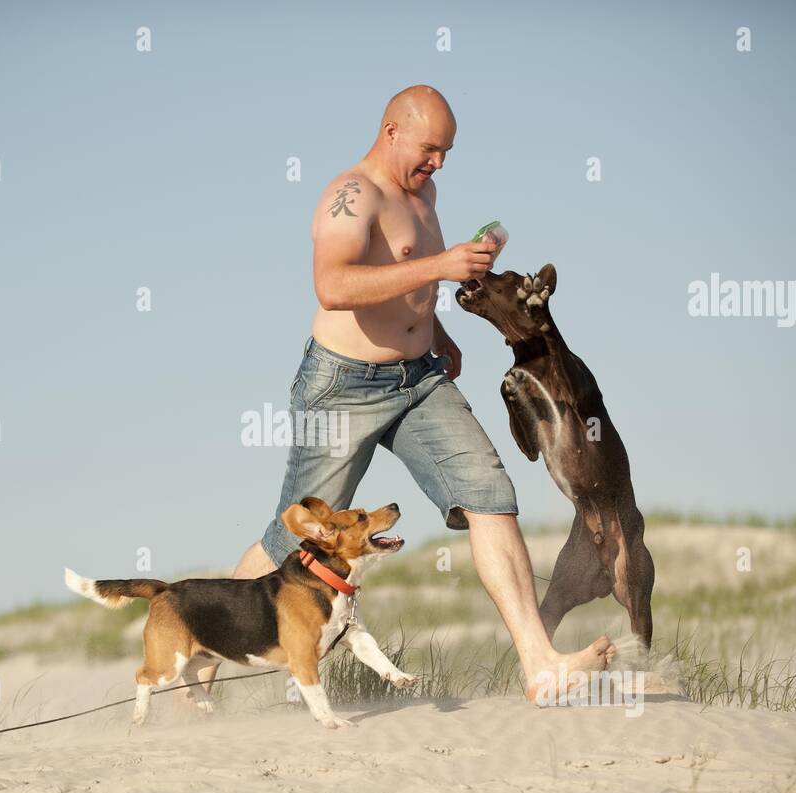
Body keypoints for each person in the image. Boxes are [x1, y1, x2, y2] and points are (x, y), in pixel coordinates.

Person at [203, 85, 614, 702]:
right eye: (430, 149)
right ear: (392, 130)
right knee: (294, 540)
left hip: (419, 380)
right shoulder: (350, 196)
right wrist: (440, 269)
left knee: (490, 495)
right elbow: (333, 284)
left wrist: (436, 326)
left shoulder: (426, 195)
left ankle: (540, 664)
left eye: (447, 152)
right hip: (342, 386)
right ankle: (200, 662)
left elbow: (407, 275)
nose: (438, 164)